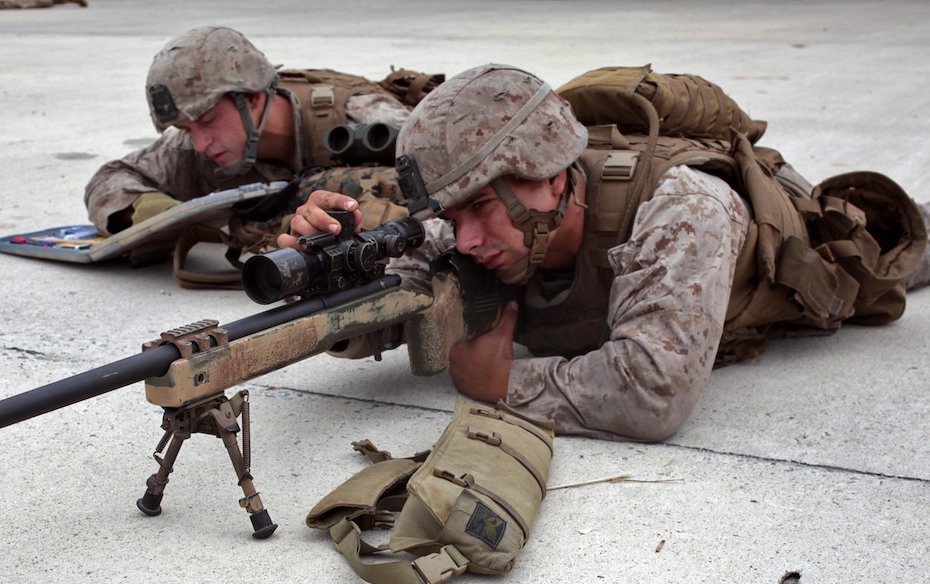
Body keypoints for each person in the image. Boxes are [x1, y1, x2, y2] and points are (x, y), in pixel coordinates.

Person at [280, 63, 930, 443]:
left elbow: (652, 393)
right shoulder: (475, 224)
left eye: (479, 208)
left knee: (896, 250)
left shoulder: (680, 208)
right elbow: (399, 302)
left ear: (549, 176)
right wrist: (328, 276)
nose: (465, 239)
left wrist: (499, 383)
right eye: (452, 216)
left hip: (826, 253)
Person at [84, 25, 413, 238]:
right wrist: (150, 212)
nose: (199, 143)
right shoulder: (197, 147)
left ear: (253, 98)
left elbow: (440, 165)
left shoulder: (362, 115)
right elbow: (109, 179)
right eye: (185, 128)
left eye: (208, 120)